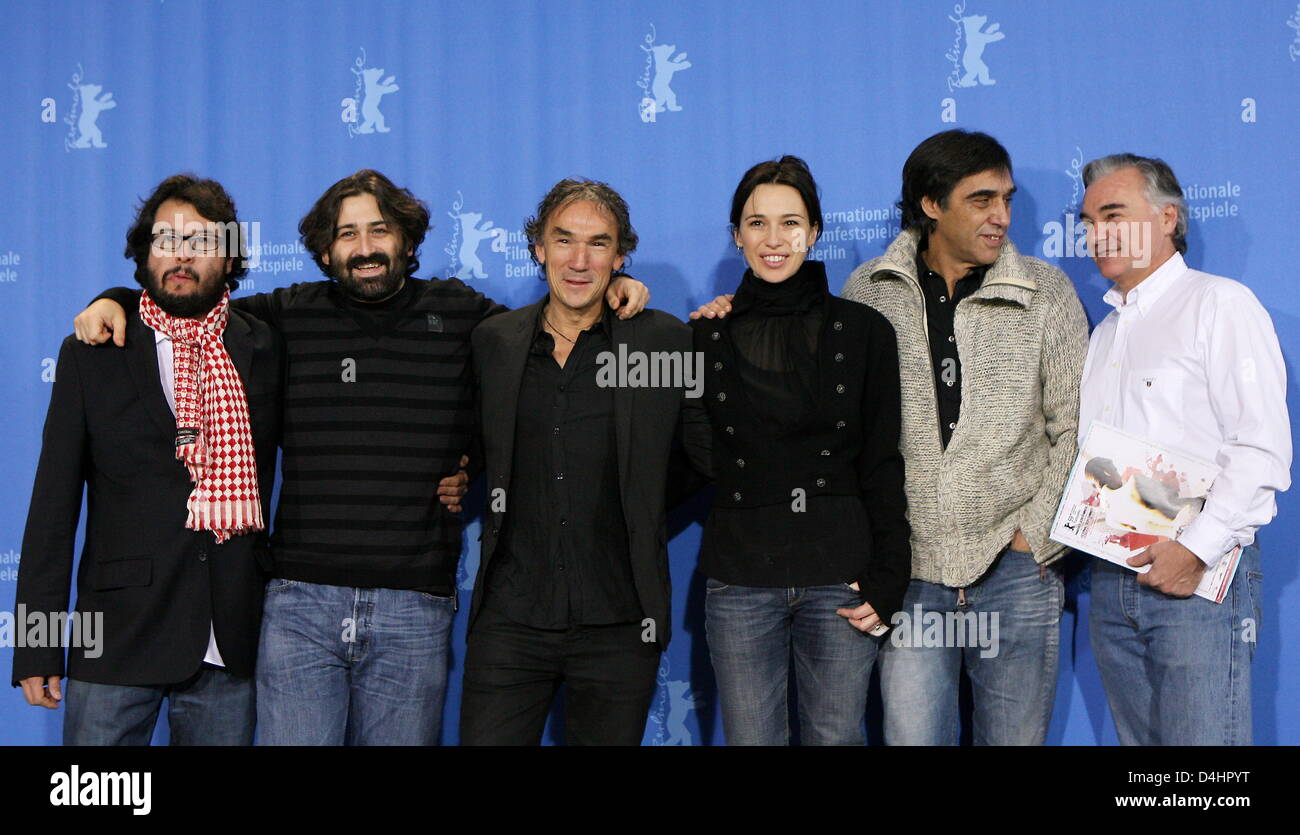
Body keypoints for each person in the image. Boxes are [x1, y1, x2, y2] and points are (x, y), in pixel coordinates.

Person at [70, 170, 649, 745]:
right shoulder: (283, 318)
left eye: (381, 230)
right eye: (347, 234)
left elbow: (546, 335)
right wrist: (117, 297)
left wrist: (616, 293)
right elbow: (190, 301)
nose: (366, 248)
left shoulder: (468, 317)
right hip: (298, 606)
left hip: (414, 609)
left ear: (409, 242)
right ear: (325, 250)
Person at [693, 131, 1089, 745]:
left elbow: (1075, 427)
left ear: (815, 229)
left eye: (1006, 199)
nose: (1001, 216)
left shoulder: (1046, 292)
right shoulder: (869, 295)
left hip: (1015, 569)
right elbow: (859, 448)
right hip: (915, 574)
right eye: (982, 199)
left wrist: (1029, 539)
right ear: (932, 204)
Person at [13, 174, 282, 745]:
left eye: (202, 242)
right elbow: (52, 509)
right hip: (113, 638)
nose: (182, 254)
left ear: (230, 258)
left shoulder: (262, 345)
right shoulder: (93, 351)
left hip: (227, 640)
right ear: (143, 254)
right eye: (166, 239)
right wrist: (36, 643)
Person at [460, 178, 711, 745]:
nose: (579, 260)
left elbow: (700, 456)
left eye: (598, 244)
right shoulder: (494, 342)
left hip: (621, 622)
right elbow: (471, 442)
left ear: (620, 256)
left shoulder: (661, 343)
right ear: (537, 248)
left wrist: (636, 496)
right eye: (563, 240)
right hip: (511, 620)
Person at [692, 156, 910, 745]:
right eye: (756, 223)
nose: (773, 239)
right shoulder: (703, 337)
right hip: (739, 579)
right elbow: (684, 458)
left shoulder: (865, 331)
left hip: (841, 579)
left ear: (815, 231)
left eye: (790, 222)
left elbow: (883, 462)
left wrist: (890, 574)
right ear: (736, 235)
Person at [1078, 153, 1290, 745]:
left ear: (1168, 217)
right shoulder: (1105, 333)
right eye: (1090, 220)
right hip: (1113, 575)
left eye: (1114, 214)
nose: (1098, 233)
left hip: (1200, 575)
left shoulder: (1220, 304)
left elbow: (1261, 451)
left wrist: (1194, 551)